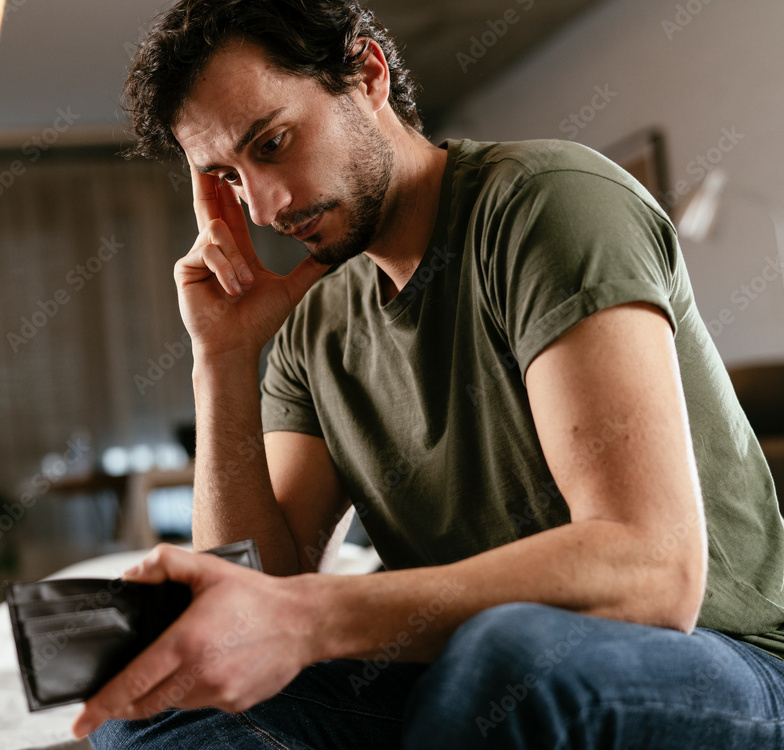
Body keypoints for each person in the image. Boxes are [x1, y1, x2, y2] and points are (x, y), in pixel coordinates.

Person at [73, 0, 784, 747]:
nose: (264, 206)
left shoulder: (549, 204)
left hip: (718, 659)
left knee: (510, 657)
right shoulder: (313, 323)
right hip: (464, 672)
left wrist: (319, 620)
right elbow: (254, 608)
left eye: (275, 142)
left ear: (367, 73)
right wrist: (221, 360)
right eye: (229, 176)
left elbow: (653, 573)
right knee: (161, 707)